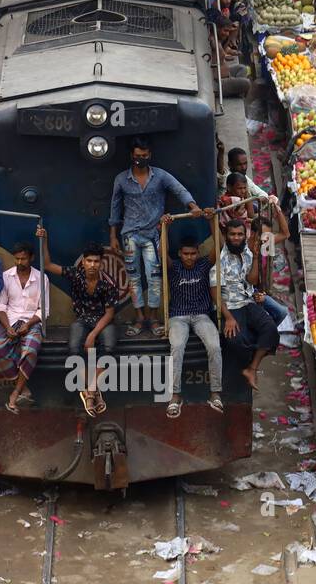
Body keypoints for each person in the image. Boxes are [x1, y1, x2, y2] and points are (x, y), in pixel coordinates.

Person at [109, 136, 203, 339]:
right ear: (131, 156)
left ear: (149, 155)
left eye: (144, 156)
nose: (140, 159)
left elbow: (179, 190)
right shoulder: (121, 180)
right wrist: (113, 236)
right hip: (130, 236)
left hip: (153, 235)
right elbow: (115, 209)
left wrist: (193, 206)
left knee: (154, 278)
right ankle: (139, 317)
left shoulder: (160, 176)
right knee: (133, 279)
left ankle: (152, 318)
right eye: (137, 156)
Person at [43, 241, 120, 417]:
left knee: (109, 349)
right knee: (73, 350)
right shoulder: (75, 274)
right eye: (89, 261)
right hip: (82, 320)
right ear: (83, 262)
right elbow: (47, 265)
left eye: (96, 261)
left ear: (101, 263)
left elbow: (109, 314)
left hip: (103, 321)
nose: (93, 265)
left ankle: (89, 392)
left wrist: (92, 335)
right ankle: (94, 392)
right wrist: (45, 239)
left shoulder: (108, 283)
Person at [212, 218, 279, 391]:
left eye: (240, 234)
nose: (236, 238)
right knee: (236, 341)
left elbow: (252, 280)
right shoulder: (220, 256)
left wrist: (256, 257)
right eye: (232, 234)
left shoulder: (248, 253)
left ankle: (252, 369)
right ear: (227, 236)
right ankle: (240, 371)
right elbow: (214, 293)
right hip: (230, 306)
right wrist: (228, 317)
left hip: (248, 301)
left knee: (270, 329)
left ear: (245, 235)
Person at [0, 230, 49, 413]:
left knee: (30, 350)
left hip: (31, 322)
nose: (19, 263)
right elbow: (1, 306)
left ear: (31, 258)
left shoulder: (41, 278)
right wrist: (7, 327)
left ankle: (15, 392)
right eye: (17, 259)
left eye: (23, 259)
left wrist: (29, 325)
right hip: (10, 320)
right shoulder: (7, 276)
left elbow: (44, 310)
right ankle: (23, 387)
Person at [165, 236, 224, 418]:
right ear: (179, 254)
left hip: (201, 316)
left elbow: (220, 244)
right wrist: (164, 229)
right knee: (176, 347)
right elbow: (162, 254)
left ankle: (215, 393)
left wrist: (209, 221)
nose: (189, 257)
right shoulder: (174, 267)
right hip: (178, 317)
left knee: (215, 346)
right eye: (186, 254)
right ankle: (175, 396)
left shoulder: (204, 265)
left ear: (198, 253)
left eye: (192, 254)